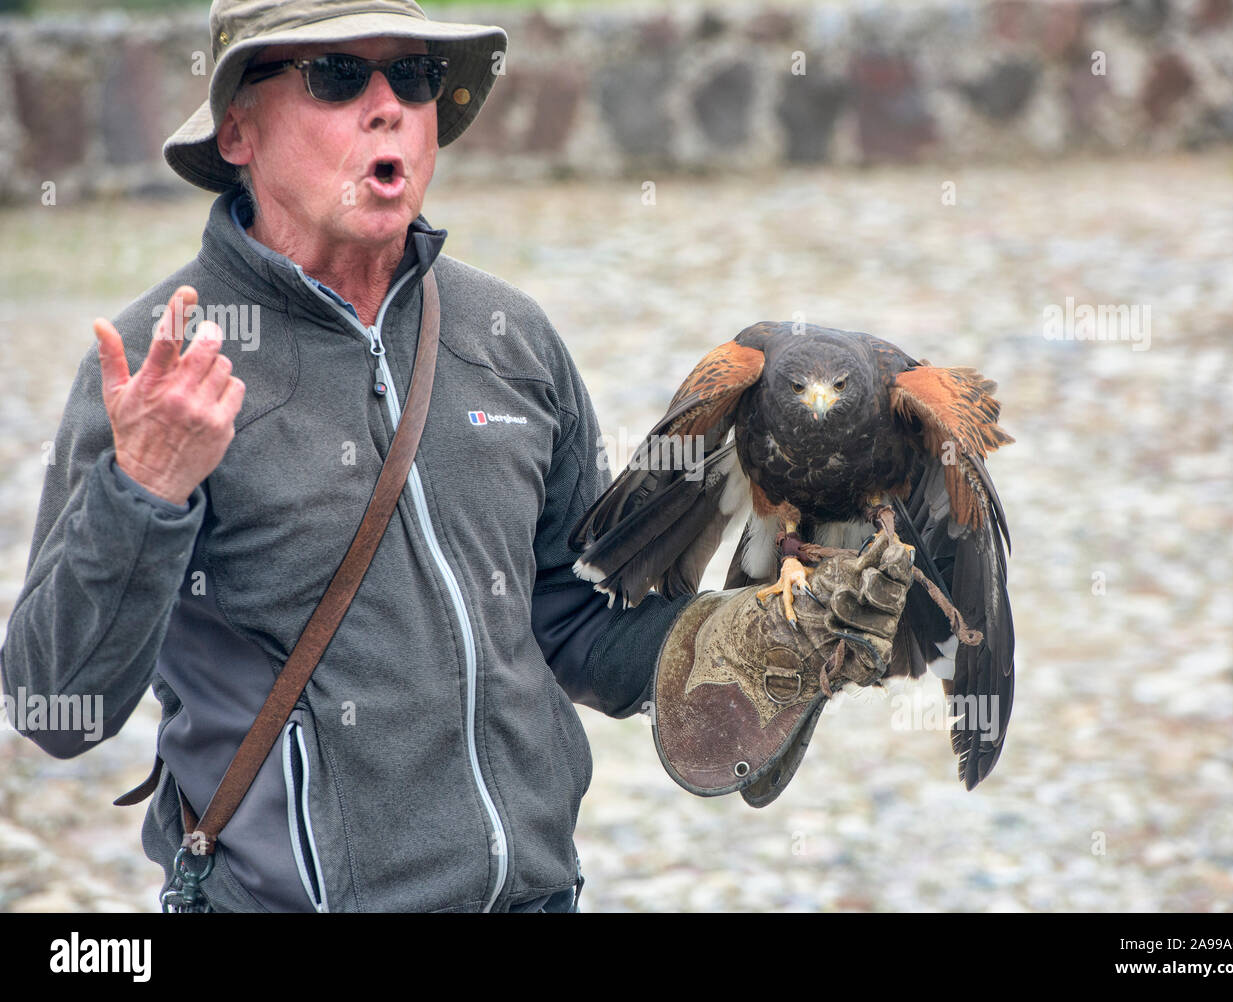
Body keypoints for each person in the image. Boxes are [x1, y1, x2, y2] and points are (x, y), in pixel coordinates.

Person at [0, 0, 909, 913]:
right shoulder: (158, 367)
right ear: (238, 129)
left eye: (415, 76)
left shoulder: (509, 336)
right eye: (338, 77)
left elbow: (572, 619)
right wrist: (144, 489)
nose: (389, 107)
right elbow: (56, 710)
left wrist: (757, 635)